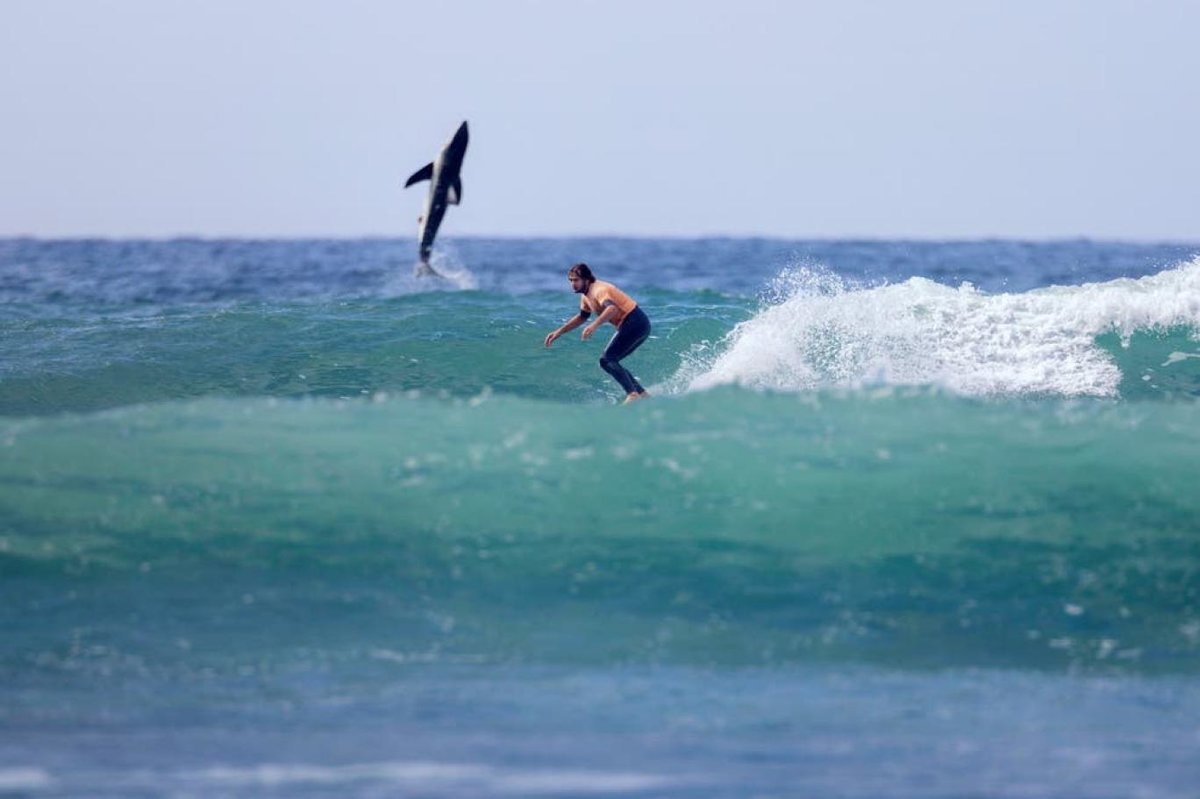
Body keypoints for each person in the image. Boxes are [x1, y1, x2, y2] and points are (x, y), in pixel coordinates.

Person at [544, 263, 651, 403]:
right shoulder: (586, 295)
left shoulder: (599, 290)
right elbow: (582, 316)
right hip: (638, 324)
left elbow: (612, 309)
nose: (572, 284)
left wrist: (594, 325)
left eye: (576, 280)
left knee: (607, 360)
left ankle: (632, 394)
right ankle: (642, 394)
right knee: (610, 360)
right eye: (570, 280)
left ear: (586, 279)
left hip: (635, 321)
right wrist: (559, 332)